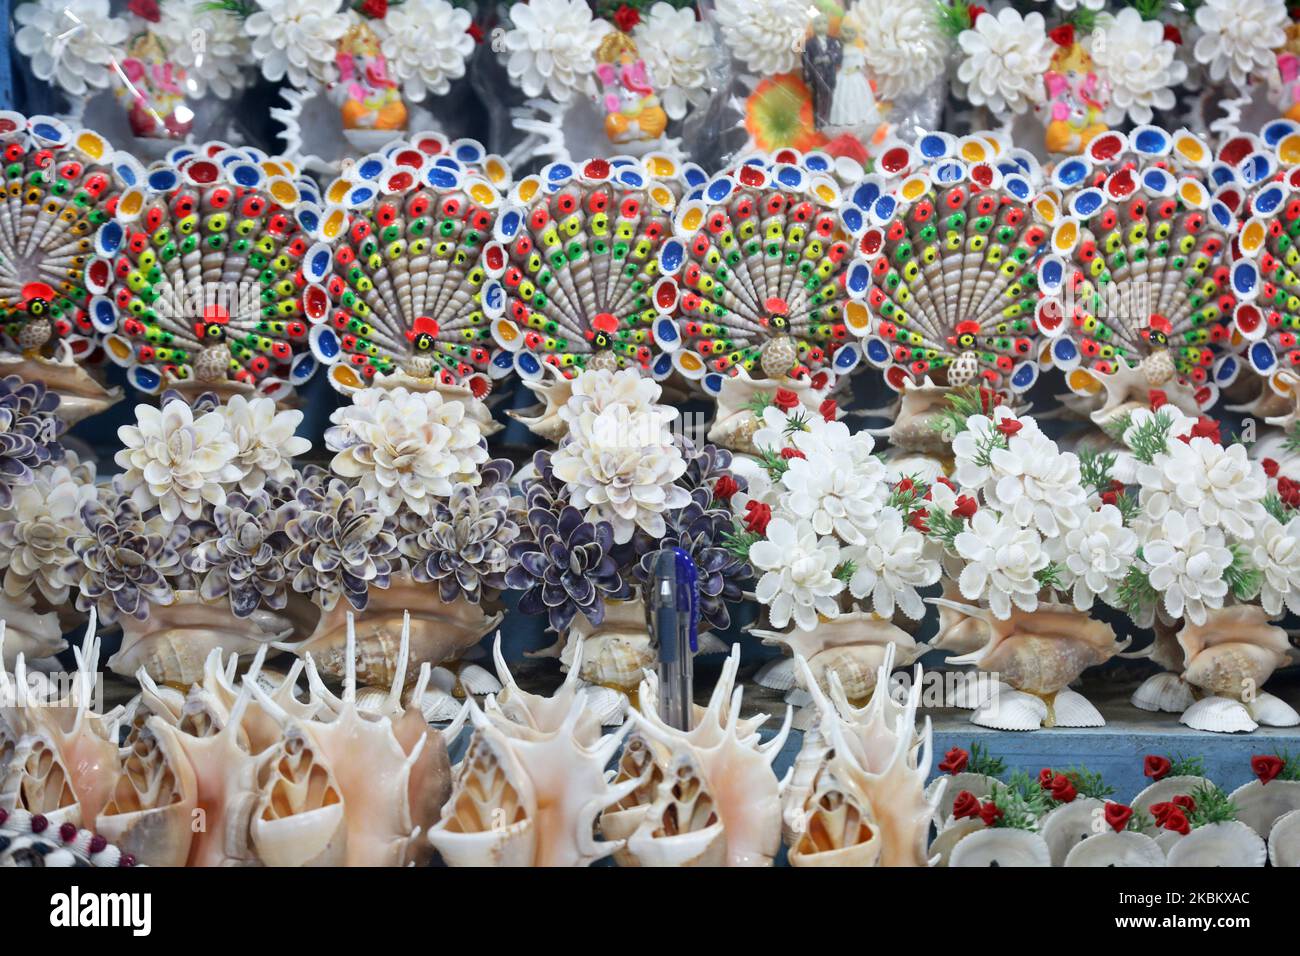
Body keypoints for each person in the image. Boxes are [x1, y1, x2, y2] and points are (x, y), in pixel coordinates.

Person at [827, 25, 877, 131]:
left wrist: (853, 70)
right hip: (842, 76)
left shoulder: (858, 50)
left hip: (855, 77)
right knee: (842, 96)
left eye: (851, 33)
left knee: (857, 96)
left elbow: (860, 64)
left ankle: (860, 119)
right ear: (842, 34)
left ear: (855, 35)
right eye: (847, 32)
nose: (849, 35)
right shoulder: (840, 49)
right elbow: (835, 61)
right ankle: (842, 119)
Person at [802, 14, 840, 129]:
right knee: (817, 100)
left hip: (831, 76)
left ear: (828, 25)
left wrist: (829, 57)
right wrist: (807, 79)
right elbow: (806, 62)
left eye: (824, 23)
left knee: (831, 99)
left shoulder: (834, 42)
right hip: (816, 78)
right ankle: (818, 124)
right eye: (818, 23)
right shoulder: (808, 43)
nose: (821, 26)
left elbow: (839, 55)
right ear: (813, 26)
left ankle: (830, 122)